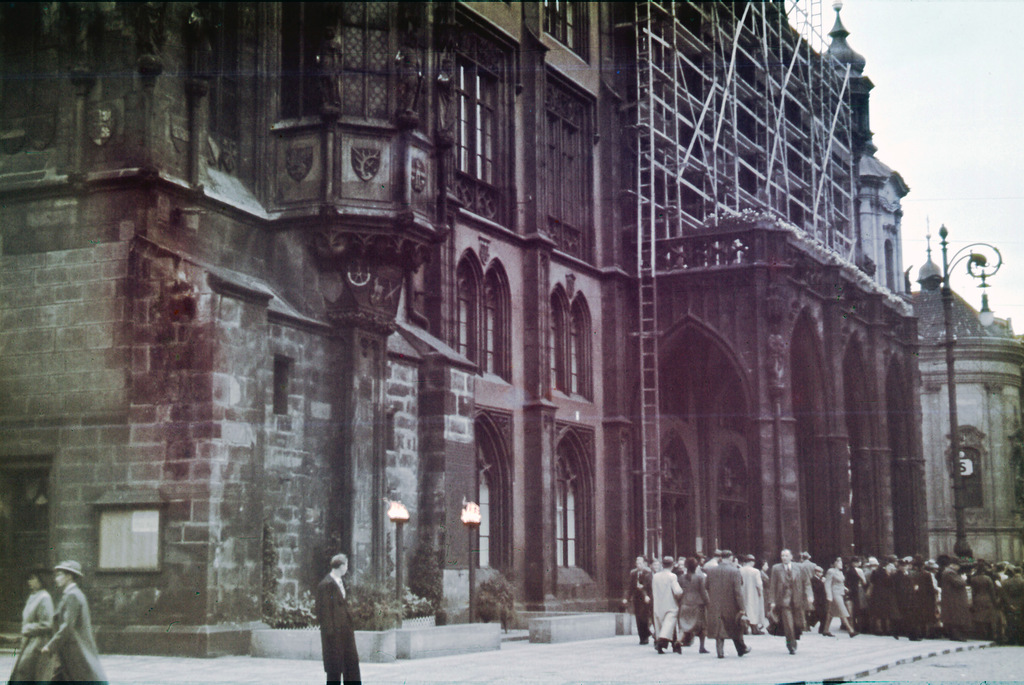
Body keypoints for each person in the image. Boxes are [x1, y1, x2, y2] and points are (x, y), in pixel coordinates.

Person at [40, 560, 107, 683]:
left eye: (60, 575)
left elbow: (67, 626)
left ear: (69, 576)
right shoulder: (72, 594)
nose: (56, 578)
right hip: (69, 652)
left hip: (74, 652)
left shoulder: (72, 595)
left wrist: (51, 646)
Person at [315, 553, 361, 685]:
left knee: (351, 666)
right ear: (340, 566)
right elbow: (322, 611)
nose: (347, 568)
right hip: (334, 635)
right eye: (346, 565)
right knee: (334, 670)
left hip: (346, 632)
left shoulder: (342, 582)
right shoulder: (325, 585)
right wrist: (330, 633)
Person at [7, 570, 54, 683]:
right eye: (29, 578)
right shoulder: (33, 596)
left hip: (38, 643)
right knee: (23, 673)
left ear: (41, 581)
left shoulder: (44, 597)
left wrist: (28, 629)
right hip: (29, 642)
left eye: (33, 578)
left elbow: (48, 623)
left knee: (28, 673)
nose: (30, 581)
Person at [704, 550, 751, 658]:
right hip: (731, 604)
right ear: (730, 558)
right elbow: (738, 592)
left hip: (715, 603)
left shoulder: (711, 571)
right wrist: (742, 607)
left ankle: (720, 651)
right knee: (736, 626)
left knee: (719, 628)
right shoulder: (735, 571)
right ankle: (741, 649)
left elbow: (706, 585)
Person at [769, 548, 811, 655]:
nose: (784, 558)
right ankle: (791, 645)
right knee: (788, 624)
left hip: (797, 600)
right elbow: (772, 585)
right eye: (782, 555)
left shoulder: (799, 567)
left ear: (791, 557)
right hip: (784, 601)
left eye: (786, 555)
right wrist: (772, 601)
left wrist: (809, 595)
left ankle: (794, 638)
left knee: (798, 623)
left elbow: (806, 582)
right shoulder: (776, 568)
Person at [676, 556, 710, 654]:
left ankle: (679, 640)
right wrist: (708, 603)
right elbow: (703, 592)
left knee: (684, 625)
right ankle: (702, 647)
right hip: (698, 604)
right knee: (701, 626)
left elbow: (678, 591)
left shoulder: (681, 577)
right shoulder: (700, 577)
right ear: (696, 566)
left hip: (684, 603)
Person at [651, 556, 683, 654]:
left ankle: (665, 644)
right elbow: (677, 591)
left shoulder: (655, 576)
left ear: (662, 564)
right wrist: (682, 593)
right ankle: (662, 642)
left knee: (661, 625)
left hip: (658, 604)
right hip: (670, 604)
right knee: (669, 624)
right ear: (672, 565)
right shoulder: (672, 576)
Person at [822, 557, 857, 637]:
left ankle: (826, 630)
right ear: (834, 563)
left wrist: (845, 588)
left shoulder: (840, 572)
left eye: (841, 562)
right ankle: (850, 630)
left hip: (840, 593)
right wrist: (828, 595)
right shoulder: (831, 571)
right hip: (834, 593)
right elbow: (827, 584)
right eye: (838, 562)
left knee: (831, 612)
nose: (840, 564)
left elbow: (841, 583)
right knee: (842, 611)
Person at [939, 557, 970, 641]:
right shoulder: (950, 572)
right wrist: (964, 579)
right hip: (954, 598)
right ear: (954, 565)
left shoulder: (948, 572)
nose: (959, 568)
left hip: (952, 598)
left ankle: (954, 635)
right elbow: (959, 583)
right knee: (955, 618)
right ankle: (957, 636)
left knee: (953, 618)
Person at [625, 556, 653, 645]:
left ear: (644, 563)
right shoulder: (633, 573)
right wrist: (627, 598)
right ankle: (642, 637)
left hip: (646, 599)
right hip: (637, 599)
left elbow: (649, 586)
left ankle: (646, 634)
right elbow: (630, 587)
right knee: (638, 618)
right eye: (637, 563)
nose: (638, 565)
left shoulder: (648, 572)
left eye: (640, 563)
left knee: (644, 617)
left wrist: (648, 595)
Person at [739, 554, 765, 634]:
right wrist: (760, 592)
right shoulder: (755, 571)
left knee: (744, 609)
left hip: (742, 593)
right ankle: (754, 628)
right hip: (753, 593)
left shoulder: (740, 570)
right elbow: (759, 584)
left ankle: (744, 627)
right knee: (753, 610)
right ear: (751, 562)